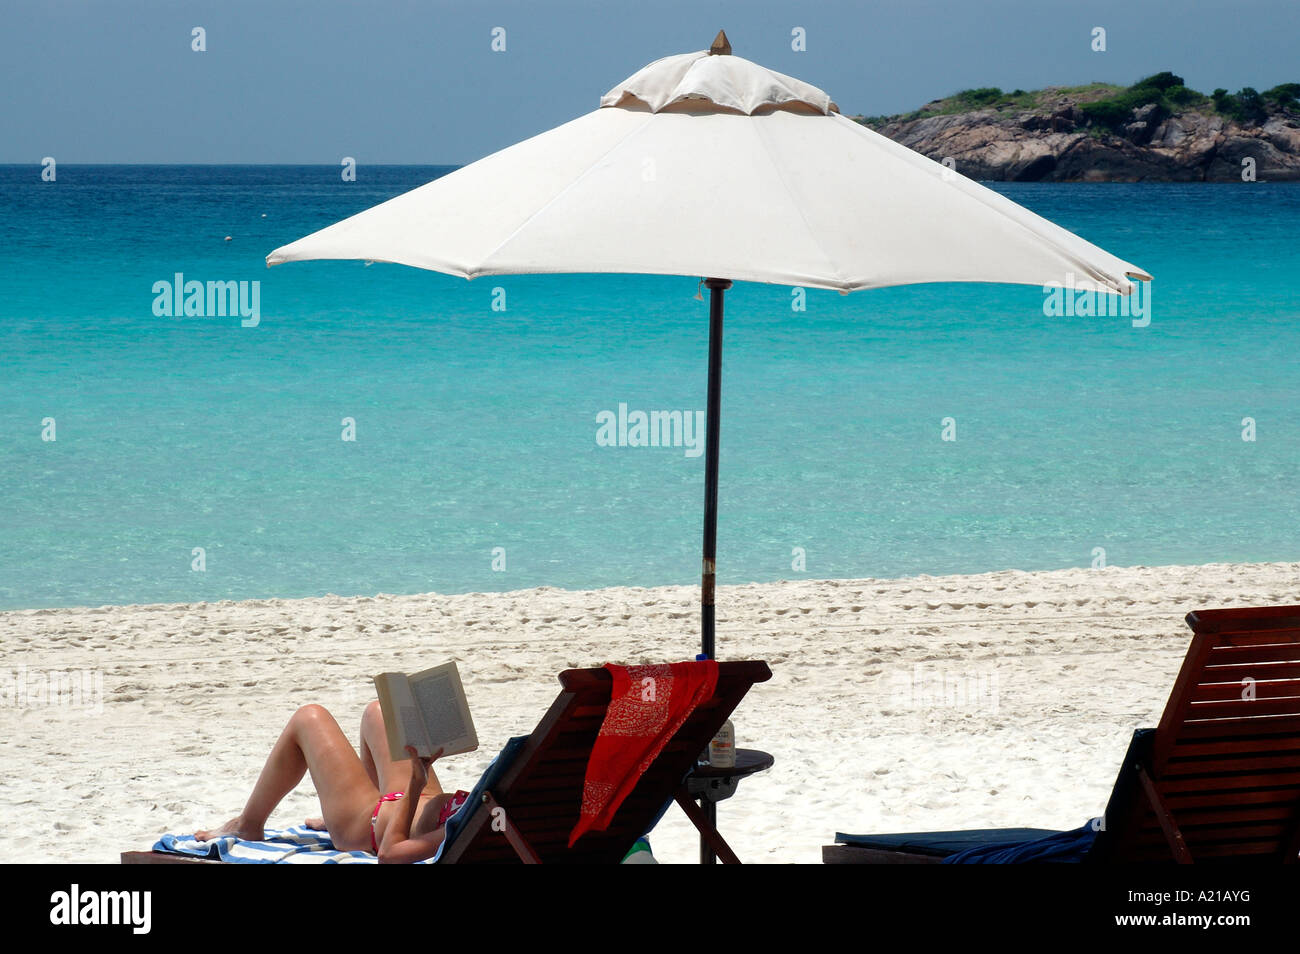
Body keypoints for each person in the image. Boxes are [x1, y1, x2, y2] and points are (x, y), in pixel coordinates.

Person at [196, 701, 468, 863]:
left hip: (368, 824)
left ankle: (248, 825)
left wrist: (414, 785)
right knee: (381, 711)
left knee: (309, 717)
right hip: (417, 801)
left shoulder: (475, 825)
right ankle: (337, 809)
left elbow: (389, 855)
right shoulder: (502, 803)